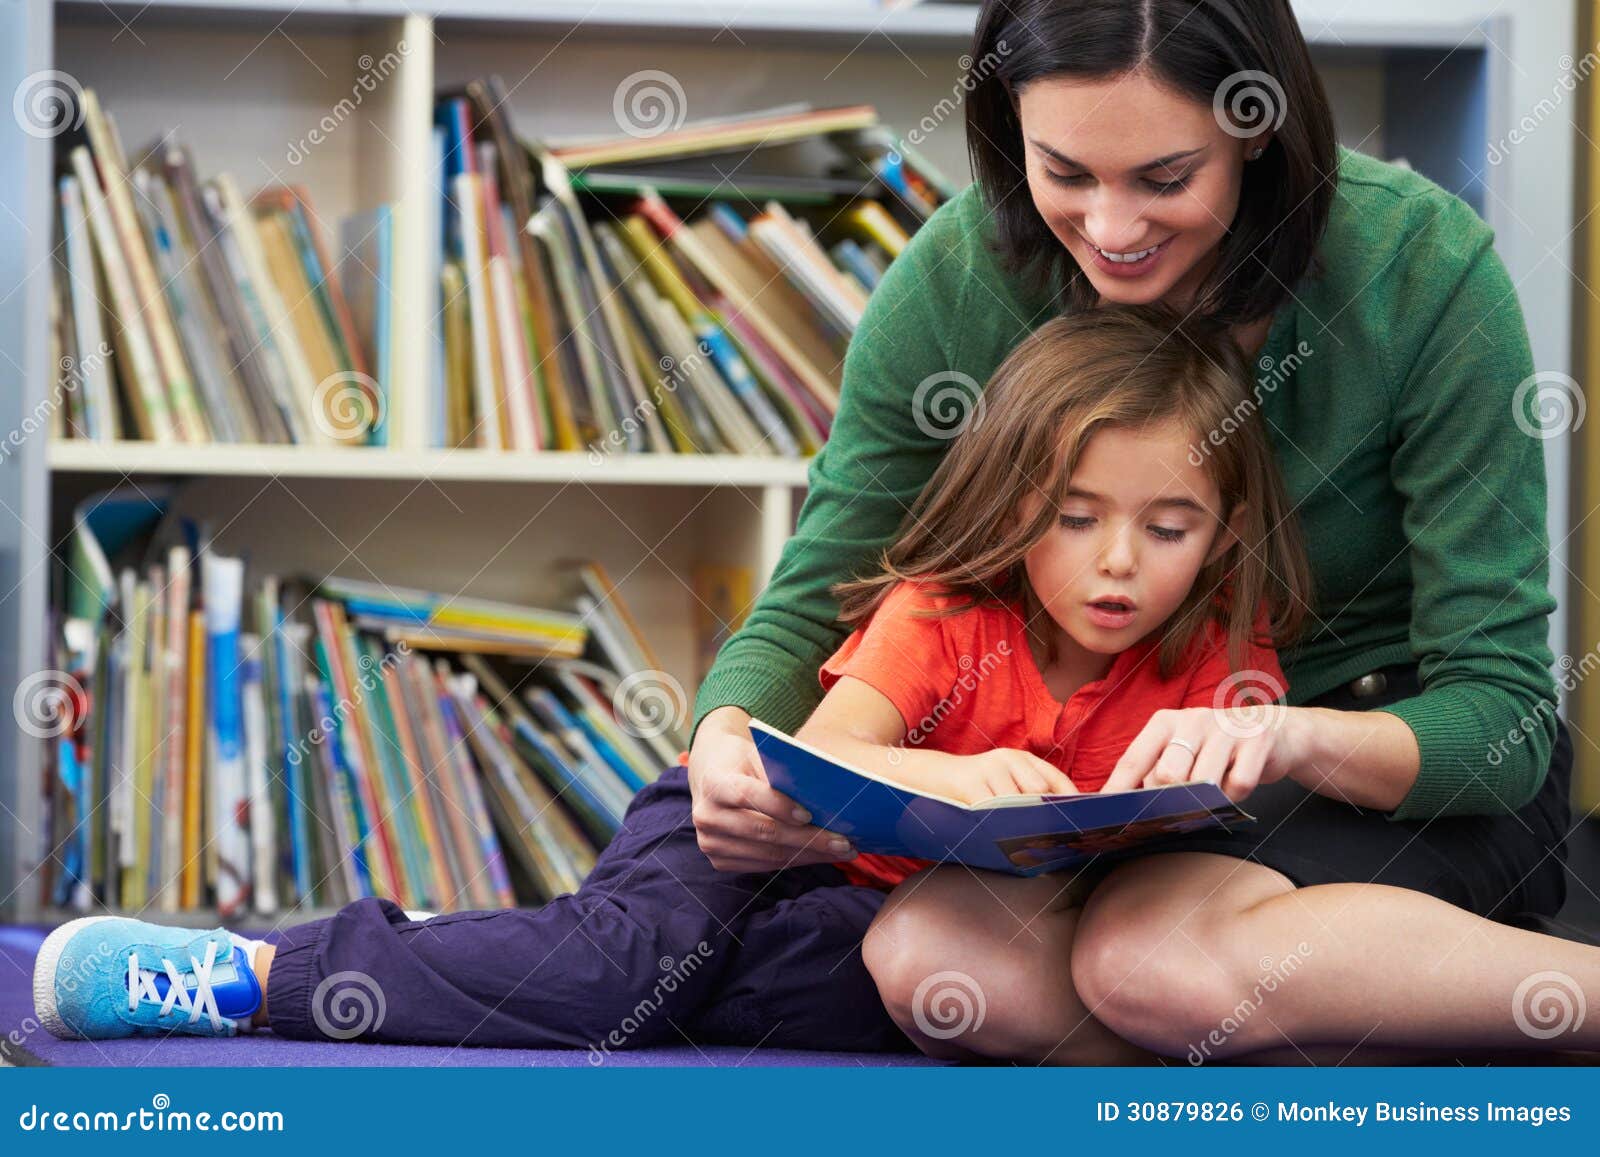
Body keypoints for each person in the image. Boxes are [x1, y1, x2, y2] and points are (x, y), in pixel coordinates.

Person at [687, 0, 1597, 1064]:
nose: (1112, 229)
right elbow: (820, 594)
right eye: (1064, 172)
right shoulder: (955, 277)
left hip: (1376, 767)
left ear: (1257, 124)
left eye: (1165, 178)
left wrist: (1289, 734)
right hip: (1104, 801)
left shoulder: (1418, 266)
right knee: (939, 964)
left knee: (1147, 958)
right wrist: (726, 737)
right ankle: (1330, 1035)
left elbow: (1503, 720)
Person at [31, 305, 1284, 1054]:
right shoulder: (944, 615)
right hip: (740, 831)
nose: (1118, 562)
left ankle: (466, 950)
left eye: (1165, 530)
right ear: (1015, 507)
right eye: (1073, 517)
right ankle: (248, 978)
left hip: (874, 918)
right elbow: (826, 752)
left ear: (1219, 536)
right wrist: (951, 769)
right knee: (628, 966)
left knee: (780, 1006)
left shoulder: (1222, 665)